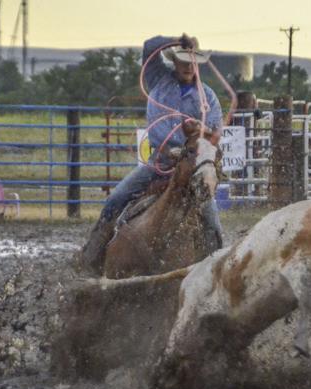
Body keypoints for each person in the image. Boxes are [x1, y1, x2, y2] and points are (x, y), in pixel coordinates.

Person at [78, 34, 224, 274]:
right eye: (183, 60)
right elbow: (149, 47)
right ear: (174, 62)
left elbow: (216, 134)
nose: (188, 65)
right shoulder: (158, 78)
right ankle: (92, 255)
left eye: (192, 60)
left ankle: (214, 269)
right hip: (160, 162)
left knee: (211, 221)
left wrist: (201, 129)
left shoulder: (207, 97)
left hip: (190, 168)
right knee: (117, 197)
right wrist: (176, 39)